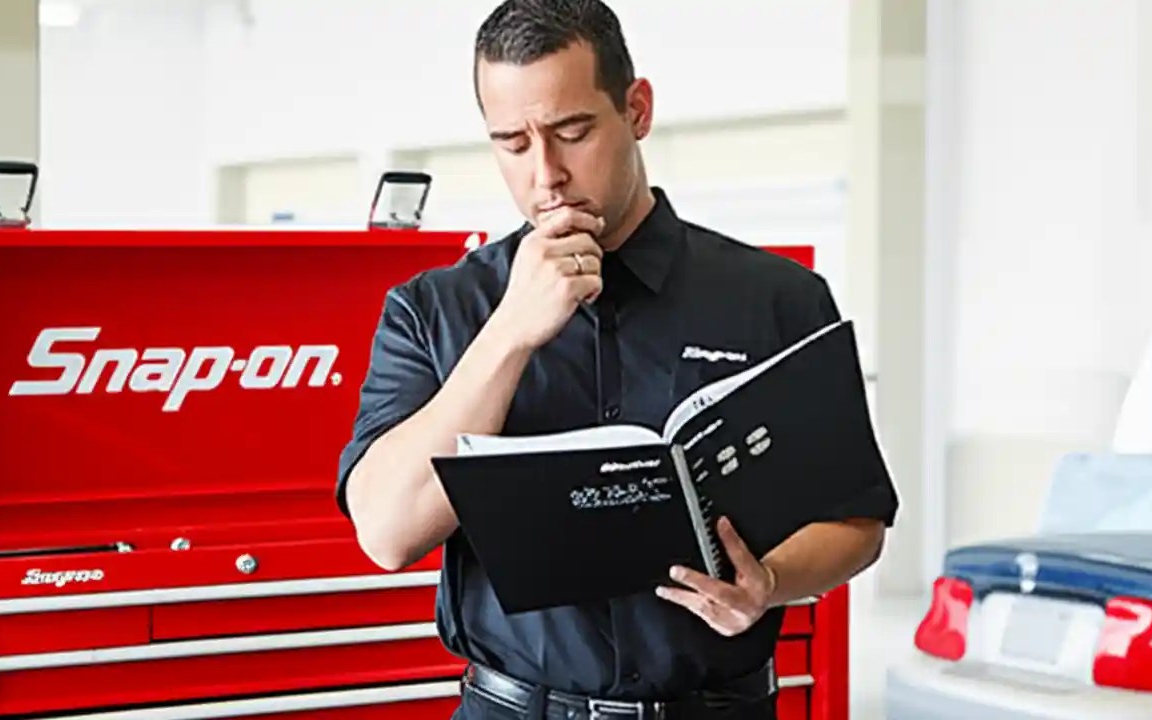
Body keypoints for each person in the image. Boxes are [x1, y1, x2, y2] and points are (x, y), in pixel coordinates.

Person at [336, 1, 899, 717]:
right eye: (512, 144)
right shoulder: (435, 310)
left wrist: (772, 582)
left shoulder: (778, 299)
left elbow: (857, 522)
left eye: (572, 133)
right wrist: (509, 334)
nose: (546, 175)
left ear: (637, 110)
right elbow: (386, 534)